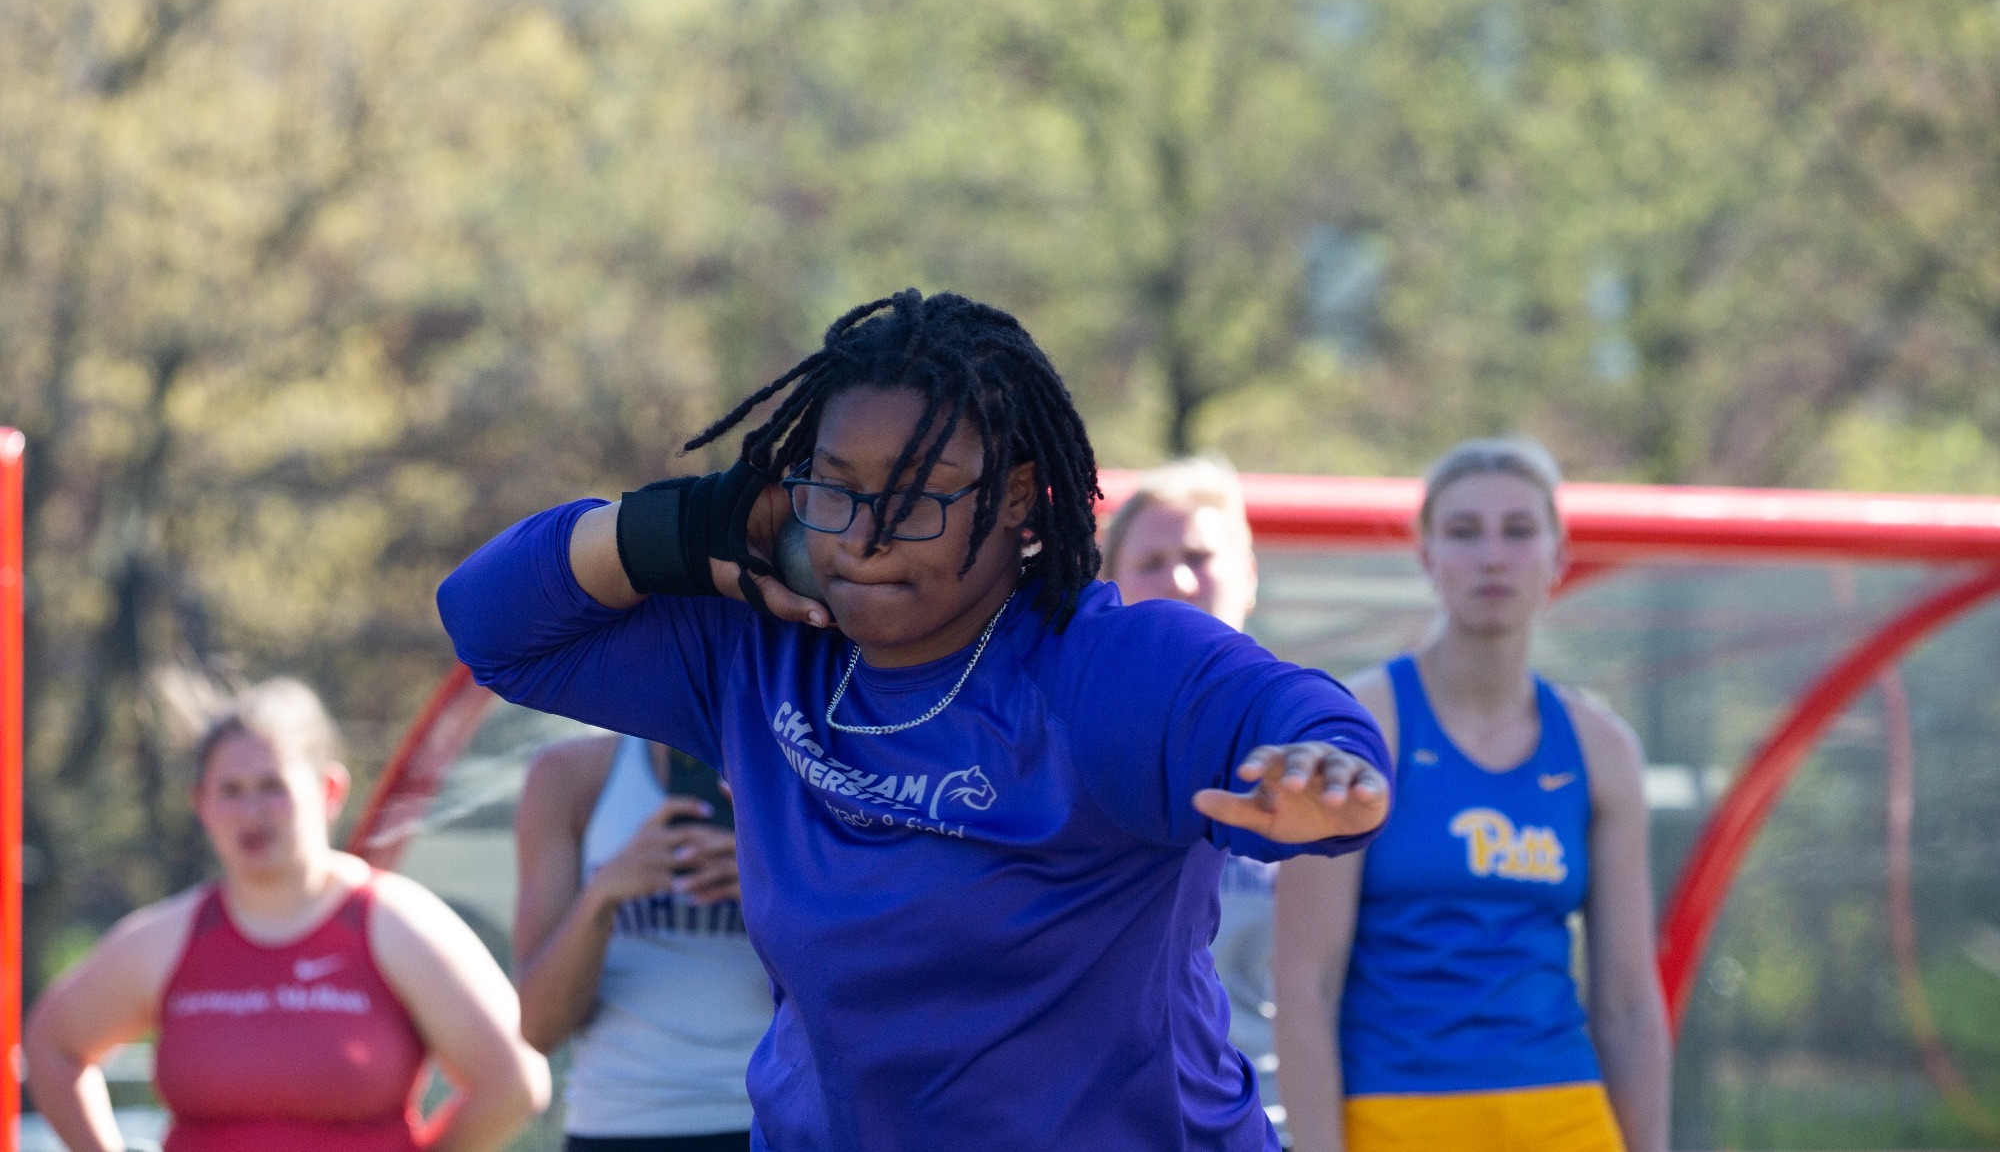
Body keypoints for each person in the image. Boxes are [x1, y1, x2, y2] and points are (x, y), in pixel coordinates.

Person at [437, 289, 1393, 1152]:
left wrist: (1326, 765)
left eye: (913, 500)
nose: (862, 535)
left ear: (1017, 497)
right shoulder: (762, 649)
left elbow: (1290, 706)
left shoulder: (1101, 666)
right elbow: (492, 624)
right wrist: (688, 525)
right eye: (833, 490)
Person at [1271, 438, 1671, 1152]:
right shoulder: (1360, 728)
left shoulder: (1602, 749)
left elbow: (1630, 1002)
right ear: (1426, 554)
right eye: (1463, 531)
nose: (1492, 555)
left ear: (1558, 554)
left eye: (1519, 530)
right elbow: (1304, 984)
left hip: (1564, 1116)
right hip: (1395, 1115)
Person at [25, 677, 551, 1152]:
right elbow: (52, 1047)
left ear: (329, 791)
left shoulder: (396, 923)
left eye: (273, 787)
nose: (252, 814)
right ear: (200, 802)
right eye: (231, 791)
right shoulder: (168, 938)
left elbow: (514, 1084)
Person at [1099, 459, 1277, 1092]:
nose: (1177, 579)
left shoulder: (1313, 749)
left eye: (1200, 556)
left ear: (1248, 575)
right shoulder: (1053, 748)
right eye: (1150, 562)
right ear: (1108, 590)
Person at [514, 731, 771, 1152]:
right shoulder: (570, 775)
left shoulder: (821, 769)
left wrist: (772, 886)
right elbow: (539, 1029)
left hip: (774, 1121)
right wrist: (603, 893)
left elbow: (869, 992)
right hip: (618, 1123)